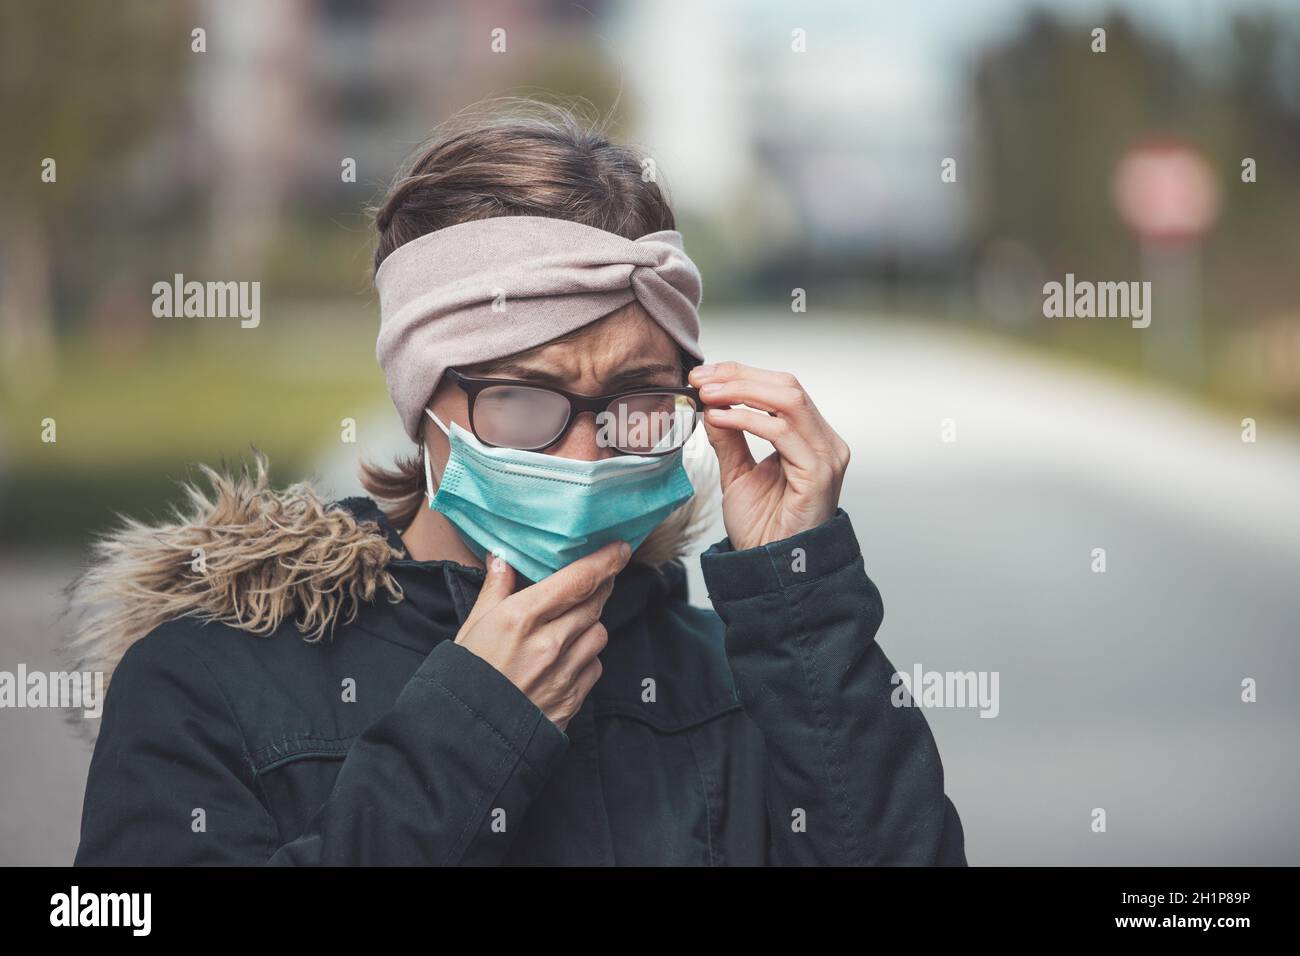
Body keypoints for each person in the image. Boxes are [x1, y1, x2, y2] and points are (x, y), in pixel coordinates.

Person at [66, 100, 966, 866]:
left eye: (636, 401)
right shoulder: (207, 676)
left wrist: (797, 597)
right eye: (524, 399)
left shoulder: (742, 676)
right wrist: (469, 735)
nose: (585, 457)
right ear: (424, 405)